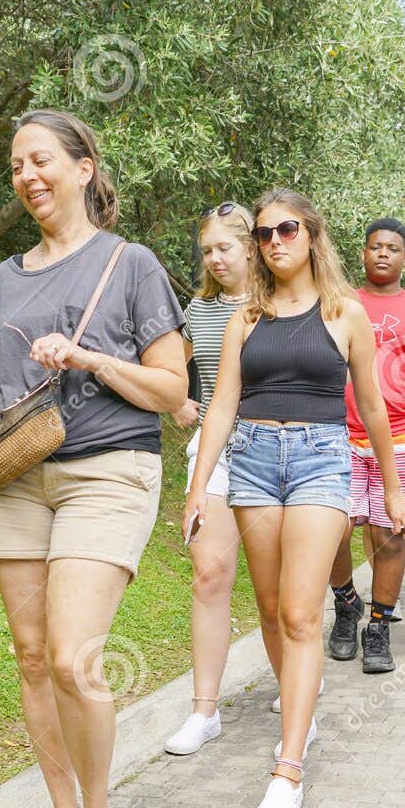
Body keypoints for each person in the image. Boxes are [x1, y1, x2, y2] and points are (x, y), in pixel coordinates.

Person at [0, 110, 186, 808]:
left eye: (43, 160)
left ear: (85, 168)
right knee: (29, 656)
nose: (27, 176)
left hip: (107, 471)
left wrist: (87, 355)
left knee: (71, 658)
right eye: (17, 164)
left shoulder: (132, 265)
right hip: (18, 473)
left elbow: (171, 390)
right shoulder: (3, 275)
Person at [186, 188, 405, 808]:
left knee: (300, 612)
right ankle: (298, 716)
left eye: (287, 230)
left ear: (311, 236)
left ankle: (288, 769)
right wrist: (201, 487)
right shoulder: (246, 317)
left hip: (320, 459)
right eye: (263, 234)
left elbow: (372, 407)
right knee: (268, 610)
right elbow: (221, 405)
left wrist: (390, 487)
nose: (274, 241)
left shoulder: (345, 312)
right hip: (252, 461)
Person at [327, 217, 405, 674]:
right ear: (362, 253)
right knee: (331, 531)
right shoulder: (338, 303)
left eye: (392, 247)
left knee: (389, 535)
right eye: (375, 246)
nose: (382, 253)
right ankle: (346, 603)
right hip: (337, 433)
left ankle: (378, 624)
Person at [164, 202, 253, 755]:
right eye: (207, 251)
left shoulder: (277, 304)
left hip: (274, 444)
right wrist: (179, 401)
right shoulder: (199, 307)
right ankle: (205, 711)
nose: (215, 259)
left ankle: (298, 686)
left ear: (250, 247)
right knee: (210, 574)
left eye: (225, 247)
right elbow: (185, 368)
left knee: (277, 583)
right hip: (214, 448)